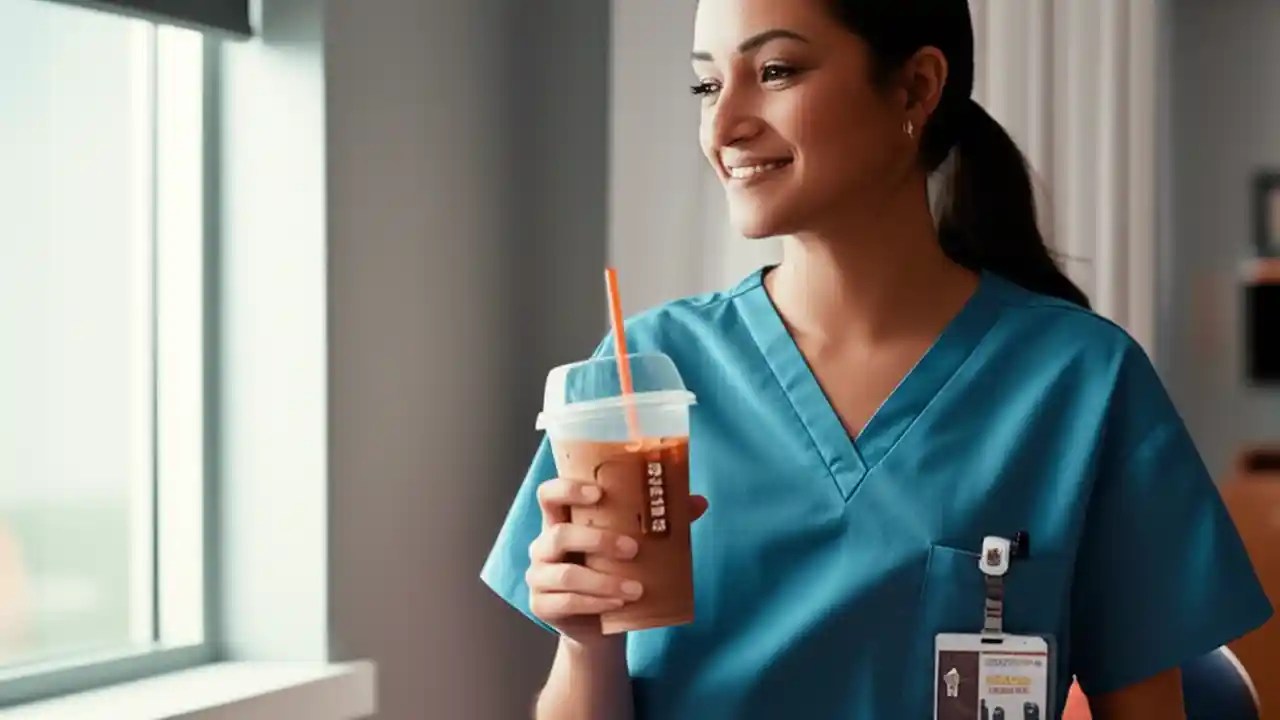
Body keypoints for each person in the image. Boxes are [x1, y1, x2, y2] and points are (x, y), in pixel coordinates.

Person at [480, 0, 1274, 717]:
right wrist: (588, 642)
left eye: (776, 71)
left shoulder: (1081, 383)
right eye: (706, 86)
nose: (723, 127)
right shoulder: (640, 374)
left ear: (914, 89)